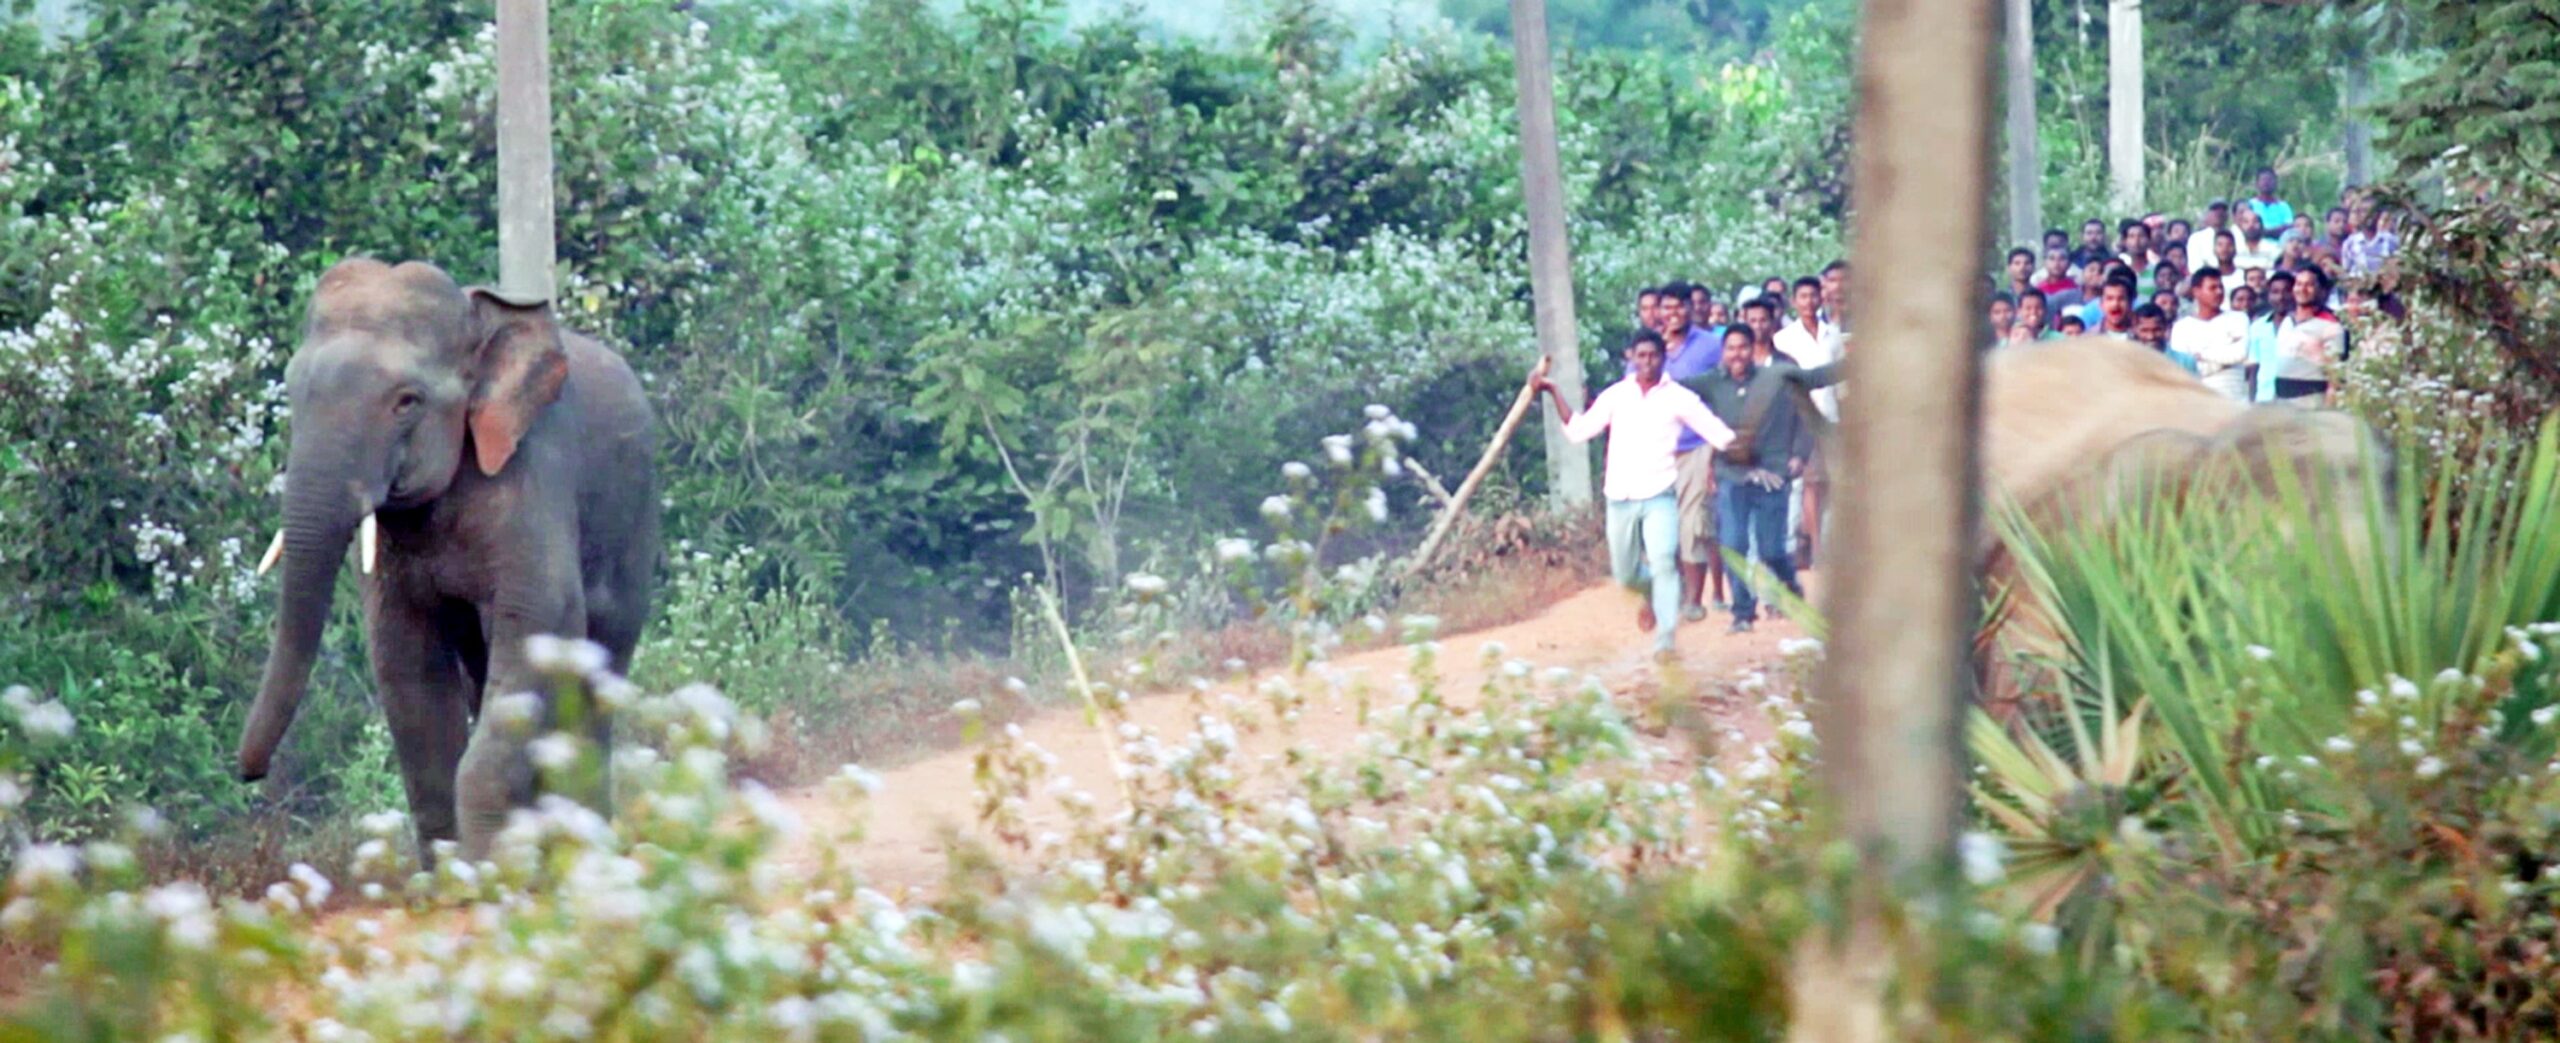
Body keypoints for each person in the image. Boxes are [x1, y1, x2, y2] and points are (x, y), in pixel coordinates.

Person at [1536, 333, 1736, 657]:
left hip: (1660, 495)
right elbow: (1578, 431)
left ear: (1663, 358)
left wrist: (1754, 448)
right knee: (1626, 574)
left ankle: (1666, 639)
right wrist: (1552, 390)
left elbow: (1718, 433)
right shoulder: (1616, 395)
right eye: (1641, 356)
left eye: (1653, 356)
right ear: (1632, 357)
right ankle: (1654, 593)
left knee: (1663, 563)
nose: (1647, 363)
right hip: (1619, 497)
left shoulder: (1679, 397)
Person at [1682, 327, 1841, 634]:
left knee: (1771, 550)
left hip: (1771, 476)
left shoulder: (1777, 376)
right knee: (1733, 544)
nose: (1737, 354)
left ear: (1752, 349)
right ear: (1723, 353)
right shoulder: (1712, 382)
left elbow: (1815, 380)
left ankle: (1790, 587)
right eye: (1730, 349)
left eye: (1743, 348)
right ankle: (1743, 613)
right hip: (1732, 476)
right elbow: (1672, 388)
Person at [1648, 282, 1722, 626]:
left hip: (1697, 447)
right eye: (1667, 308)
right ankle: (1671, 594)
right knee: (1663, 528)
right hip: (1658, 450)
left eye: (1680, 307)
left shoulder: (1710, 346)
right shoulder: (1649, 350)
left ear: (1690, 310)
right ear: (1659, 312)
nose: (1673, 314)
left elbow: (1727, 388)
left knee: (1693, 524)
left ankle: (1694, 600)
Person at [1770, 277, 1840, 572]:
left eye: (1814, 296)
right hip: (1802, 420)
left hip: (1834, 418)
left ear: (1821, 298)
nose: (1809, 302)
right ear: (1794, 302)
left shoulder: (1833, 335)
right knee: (1810, 484)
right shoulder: (1784, 339)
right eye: (1803, 297)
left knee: (1834, 484)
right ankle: (1816, 549)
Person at [2171, 266, 2250, 399]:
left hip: (2235, 400)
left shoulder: (2238, 318)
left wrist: (2201, 355)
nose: (2219, 292)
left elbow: (2239, 354)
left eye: (2221, 287)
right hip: (2200, 401)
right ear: (2196, 292)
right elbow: (2184, 369)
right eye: (2212, 288)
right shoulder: (2182, 328)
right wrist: (2225, 358)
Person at [2271, 267, 2343, 403]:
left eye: (2309, 285)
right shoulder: (2287, 321)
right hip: (2281, 400)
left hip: (2312, 401)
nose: (2302, 289)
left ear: (2322, 290)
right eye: (2298, 284)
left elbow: (2335, 375)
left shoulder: (2331, 326)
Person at [2247, 269, 2298, 402]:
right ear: (2268, 295)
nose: (2281, 297)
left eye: (2286, 291)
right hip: (2264, 397)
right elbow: (2254, 368)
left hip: (2294, 399)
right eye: (2275, 292)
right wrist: (2252, 401)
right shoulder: (2258, 326)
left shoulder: (2302, 326)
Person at [2131, 302, 2191, 373]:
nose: (2151, 336)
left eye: (2156, 330)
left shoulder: (2185, 361)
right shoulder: (2127, 362)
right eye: (2145, 331)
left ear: (2165, 327)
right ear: (2134, 329)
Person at [2342, 205, 2399, 277]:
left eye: (2373, 211)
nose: (2369, 215)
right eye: (2364, 211)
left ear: (2379, 215)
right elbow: (2347, 271)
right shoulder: (2350, 243)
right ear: (2359, 215)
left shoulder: (2391, 240)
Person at [2234, 207, 2282, 275]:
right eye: (2246, 222)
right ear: (2241, 227)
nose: (2251, 225)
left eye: (2255, 222)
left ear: (2261, 226)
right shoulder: (2235, 248)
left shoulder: (2273, 248)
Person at [2246, 166, 2294, 233]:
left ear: (2276, 183)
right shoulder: (2250, 205)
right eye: (2263, 180)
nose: (2266, 183)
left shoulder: (2284, 206)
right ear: (2256, 183)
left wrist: (2265, 232)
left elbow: (2288, 226)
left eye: (2269, 180)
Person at [2186, 199, 2231, 265]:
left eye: (2223, 209)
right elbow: (2194, 265)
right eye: (2215, 209)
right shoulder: (2196, 238)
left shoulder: (2234, 235)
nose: (2219, 212)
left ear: (2227, 215)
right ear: (2207, 214)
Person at [2096, 271, 2137, 338]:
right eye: (2110, 298)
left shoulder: (2142, 335)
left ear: (2130, 303)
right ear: (2101, 305)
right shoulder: (2091, 336)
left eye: (2121, 298)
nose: (2115, 304)